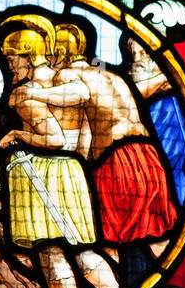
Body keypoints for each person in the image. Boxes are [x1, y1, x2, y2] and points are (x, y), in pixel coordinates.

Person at [15, 22, 176, 264]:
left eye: (51, 54)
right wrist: (81, 162)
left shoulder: (68, 73)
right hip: (147, 156)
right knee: (157, 233)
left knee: (108, 239)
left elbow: (79, 94)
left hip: (117, 162)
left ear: (60, 53)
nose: (49, 61)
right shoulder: (111, 76)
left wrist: (33, 94)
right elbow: (89, 129)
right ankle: (165, 274)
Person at [0, 16, 118, 288]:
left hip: (41, 173)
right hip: (70, 172)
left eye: (12, 59)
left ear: (27, 53)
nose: (10, 66)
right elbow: (84, 131)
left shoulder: (26, 93)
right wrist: (78, 158)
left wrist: (15, 135)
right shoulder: (67, 81)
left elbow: (51, 139)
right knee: (83, 250)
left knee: (51, 254)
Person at [128, 37, 185, 200]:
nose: (137, 58)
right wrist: (165, 77)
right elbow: (136, 93)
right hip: (151, 157)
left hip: (179, 158)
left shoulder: (167, 80)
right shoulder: (128, 84)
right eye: (133, 54)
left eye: (142, 53)